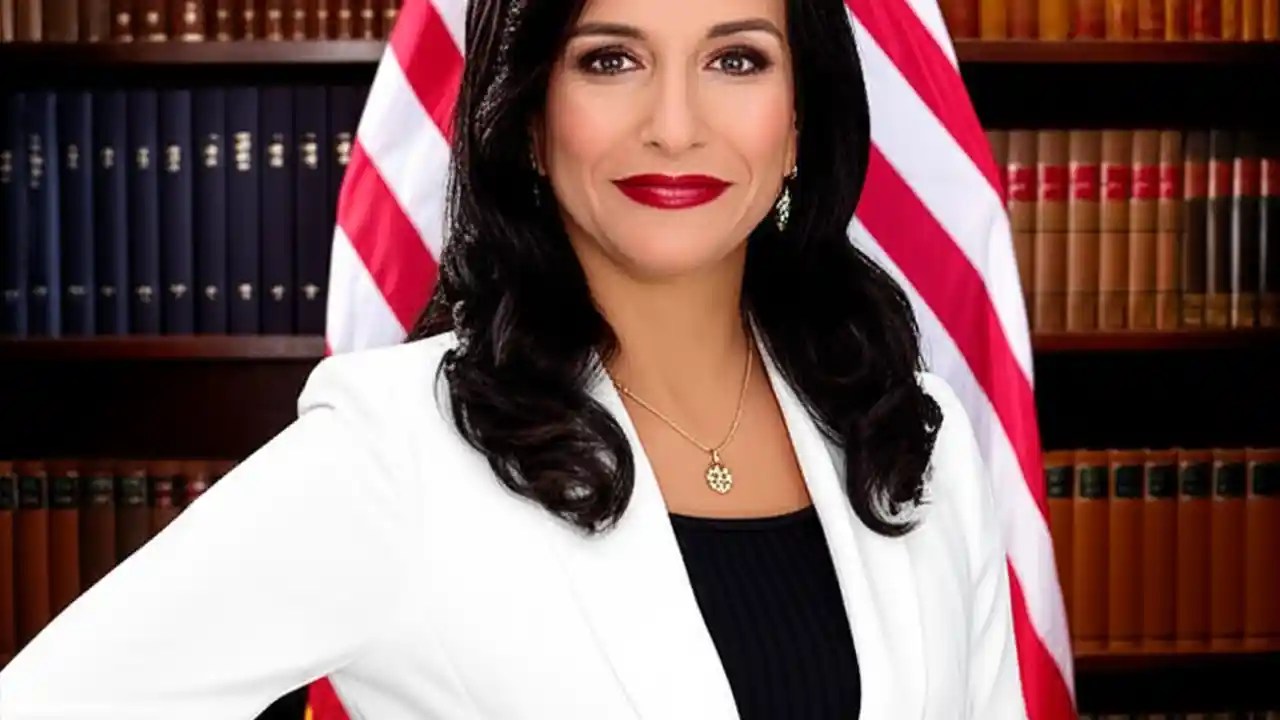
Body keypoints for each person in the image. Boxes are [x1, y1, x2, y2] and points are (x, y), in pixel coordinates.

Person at [0, 0, 1027, 717]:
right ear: (530, 117)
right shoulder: (394, 448)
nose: (674, 126)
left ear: (800, 119)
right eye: (609, 59)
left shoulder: (909, 434)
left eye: (736, 59)